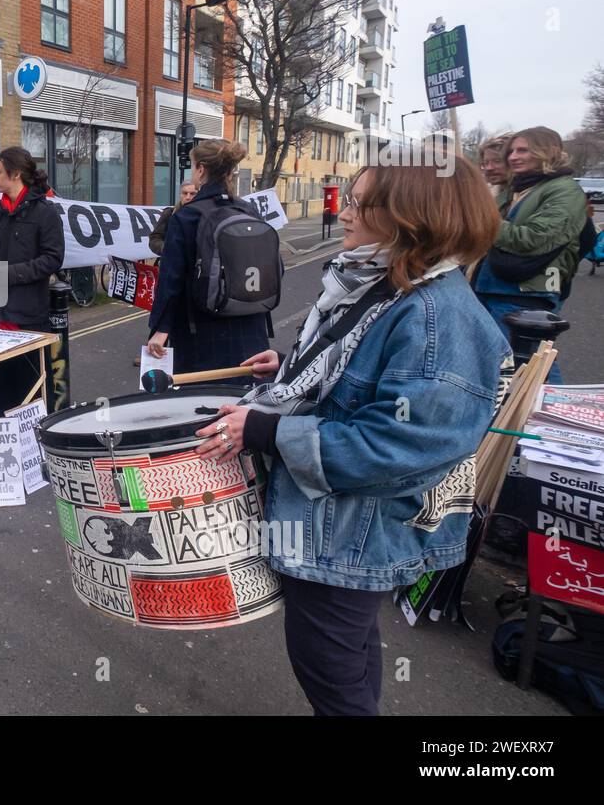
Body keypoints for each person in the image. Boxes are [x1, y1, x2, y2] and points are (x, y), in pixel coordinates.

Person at [195, 157, 507, 716]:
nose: (343, 213)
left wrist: (267, 428)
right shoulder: (391, 284)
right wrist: (294, 368)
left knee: (330, 671)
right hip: (342, 526)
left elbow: (400, 446)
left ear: (413, 217)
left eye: (362, 205)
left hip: (352, 532)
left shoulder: (436, 315)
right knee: (349, 654)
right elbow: (363, 369)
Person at [471, 127, 586, 384]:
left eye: (522, 150)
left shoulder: (564, 190)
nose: (513, 157)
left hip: (527, 292)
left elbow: (533, 239)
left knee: (532, 368)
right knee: (499, 365)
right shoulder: (519, 189)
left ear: (548, 151)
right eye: (511, 151)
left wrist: (480, 216)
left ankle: (552, 407)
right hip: (494, 287)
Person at [147, 140, 272, 373]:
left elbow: (171, 279)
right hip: (252, 329)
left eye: (193, 167)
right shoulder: (249, 210)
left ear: (201, 169)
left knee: (203, 394)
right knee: (244, 393)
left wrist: (161, 328)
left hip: (200, 333)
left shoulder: (187, 216)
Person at [0, 146, 64, 415]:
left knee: (31, 394)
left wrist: (5, 273)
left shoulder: (46, 212)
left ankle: (35, 439)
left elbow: (52, 260)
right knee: (0, 392)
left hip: (29, 317)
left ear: (15, 174)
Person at [149, 180, 200, 257]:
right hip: (173, 260)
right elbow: (154, 239)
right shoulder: (169, 214)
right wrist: (165, 248)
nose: (188, 197)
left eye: (192, 194)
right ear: (180, 195)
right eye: (185, 193)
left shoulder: (204, 214)